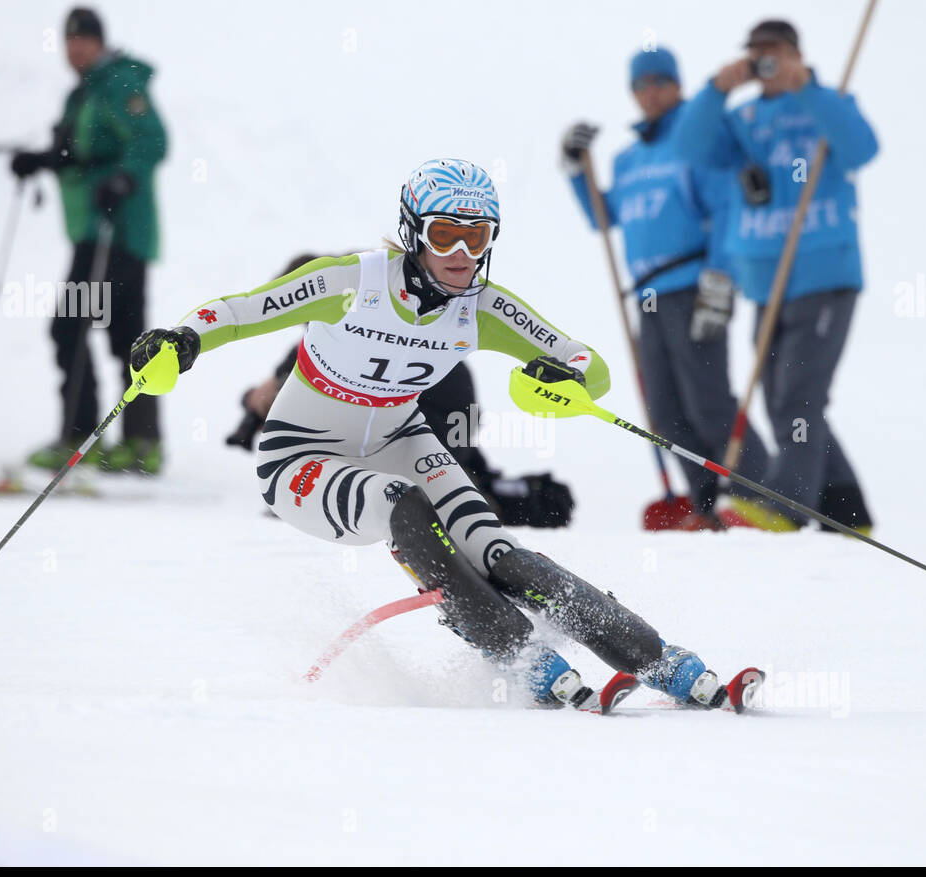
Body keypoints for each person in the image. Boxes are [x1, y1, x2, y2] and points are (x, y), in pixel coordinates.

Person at [128, 158, 763, 712]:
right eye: (445, 235)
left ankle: (662, 660)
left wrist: (561, 374)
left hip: (404, 439)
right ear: (414, 233)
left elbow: (587, 363)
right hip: (301, 454)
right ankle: (521, 655)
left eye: (477, 236)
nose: (462, 254)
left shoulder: (480, 305)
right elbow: (240, 311)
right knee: (405, 509)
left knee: (498, 554)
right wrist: (182, 339)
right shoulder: (353, 281)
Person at [675, 19, 877, 533]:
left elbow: (862, 149)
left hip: (824, 275)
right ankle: (847, 512)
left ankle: (785, 508)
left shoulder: (827, 104)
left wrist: (805, 85)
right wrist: (716, 89)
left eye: (776, 52)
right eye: (757, 53)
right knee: (781, 399)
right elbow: (691, 148)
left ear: (796, 54)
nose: (766, 62)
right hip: (767, 283)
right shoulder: (741, 118)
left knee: (798, 398)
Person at [561, 46, 770, 531]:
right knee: (663, 408)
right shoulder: (628, 158)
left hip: (693, 283)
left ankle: (762, 497)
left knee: (707, 398)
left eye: (660, 81)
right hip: (647, 292)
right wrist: (577, 168)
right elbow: (602, 215)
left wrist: (721, 279)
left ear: (677, 84)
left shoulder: (697, 142)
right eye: (641, 85)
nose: (650, 92)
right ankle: (706, 506)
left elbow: (724, 209)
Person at [227, 253, 577, 529]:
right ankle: (491, 491)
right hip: (454, 405)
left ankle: (475, 497)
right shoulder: (366, 284)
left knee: (401, 476)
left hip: (434, 414)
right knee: (459, 465)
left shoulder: (335, 324)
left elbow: (269, 394)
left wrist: (251, 411)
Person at [12, 7, 167, 474]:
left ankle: (124, 441)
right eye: (70, 40)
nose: (76, 47)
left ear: (100, 43)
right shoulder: (85, 93)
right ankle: (105, 438)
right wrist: (43, 159)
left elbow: (152, 140)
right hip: (93, 229)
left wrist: (123, 178)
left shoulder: (120, 84)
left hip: (119, 232)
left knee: (104, 331)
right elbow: (82, 152)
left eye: (84, 39)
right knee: (89, 330)